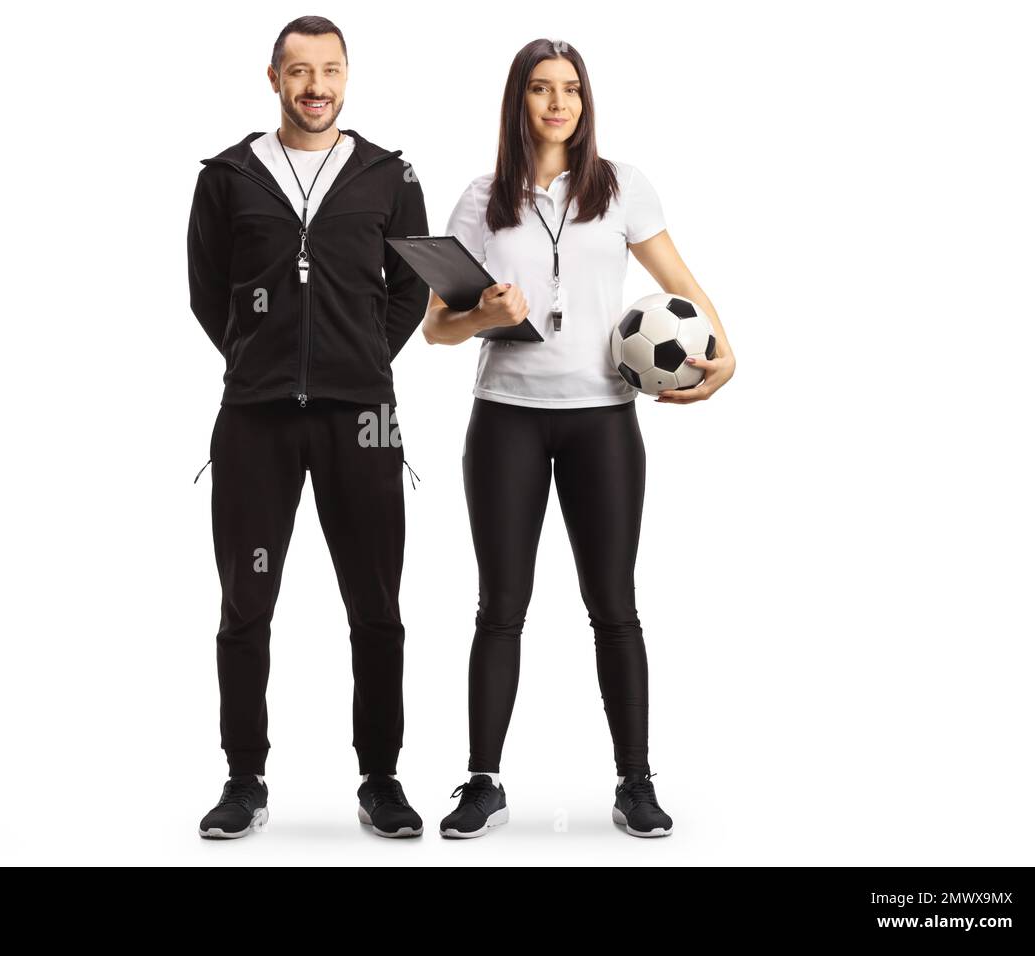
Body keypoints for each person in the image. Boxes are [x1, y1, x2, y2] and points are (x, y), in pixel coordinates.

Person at [423, 39, 736, 839]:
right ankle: (482, 782)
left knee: (615, 606)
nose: (558, 104)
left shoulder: (622, 187)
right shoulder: (481, 197)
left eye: (570, 90)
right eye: (540, 89)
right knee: (502, 607)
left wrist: (724, 352)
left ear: (585, 101)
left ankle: (636, 782)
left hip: (603, 419)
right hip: (506, 419)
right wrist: (484, 317)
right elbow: (436, 330)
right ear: (517, 101)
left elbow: (682, 287)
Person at [186, 16, 430, 839]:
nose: (315, 86)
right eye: (299, 71)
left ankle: (382, 777)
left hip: (362, 418)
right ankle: (243, 777)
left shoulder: (388, 176)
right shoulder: (228, 176)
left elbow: (413, 289)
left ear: (347, 77)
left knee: (377, 603)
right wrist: (262, 359)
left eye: (329, 70)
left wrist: (357, 359)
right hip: (254, 422)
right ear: (273, 78)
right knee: (244, 603)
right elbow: (208, 290)